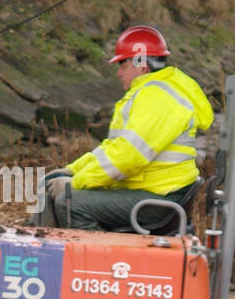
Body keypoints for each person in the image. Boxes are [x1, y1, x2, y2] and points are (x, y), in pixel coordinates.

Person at [33, 25, 212, 231]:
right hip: (153, 190)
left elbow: (128, 157)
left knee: (71, 203)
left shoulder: (157, 99)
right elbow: (112, 149)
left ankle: (98, 261)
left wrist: (76, 183)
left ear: (140, 64)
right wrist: (73, 170)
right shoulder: (150, 93)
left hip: (158, 197)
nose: (118, 74)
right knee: (63, 190)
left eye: (122, 65)